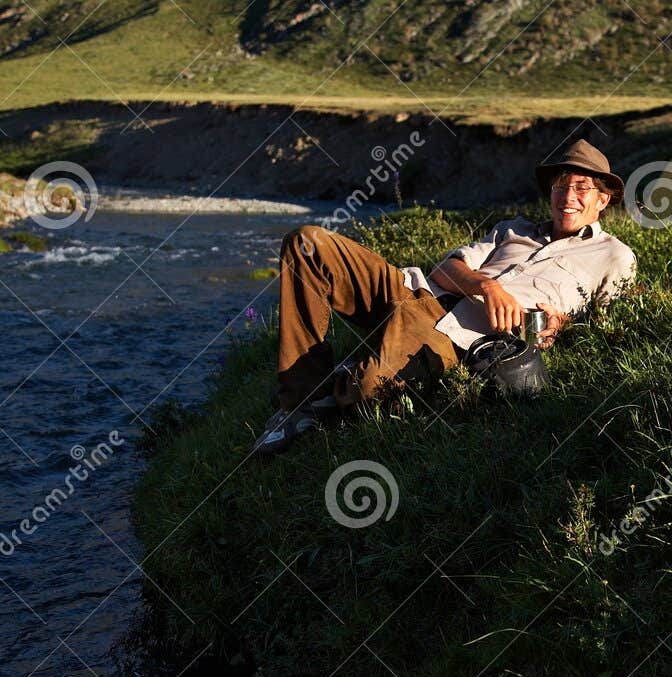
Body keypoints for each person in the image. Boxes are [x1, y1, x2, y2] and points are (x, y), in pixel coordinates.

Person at [252, 138, 638, 454]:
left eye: (581, 187)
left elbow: (606, 325)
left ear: (603, 199)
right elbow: (445, 268)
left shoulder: (614, 256)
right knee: (308, 244)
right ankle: (298, 402)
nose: (567, 195)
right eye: (560, 185)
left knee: (366, 389)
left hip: (453, 335)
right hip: (413, 290)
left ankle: (337, 384)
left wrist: (560, 324)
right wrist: (487, 286)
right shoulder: (512, 228)